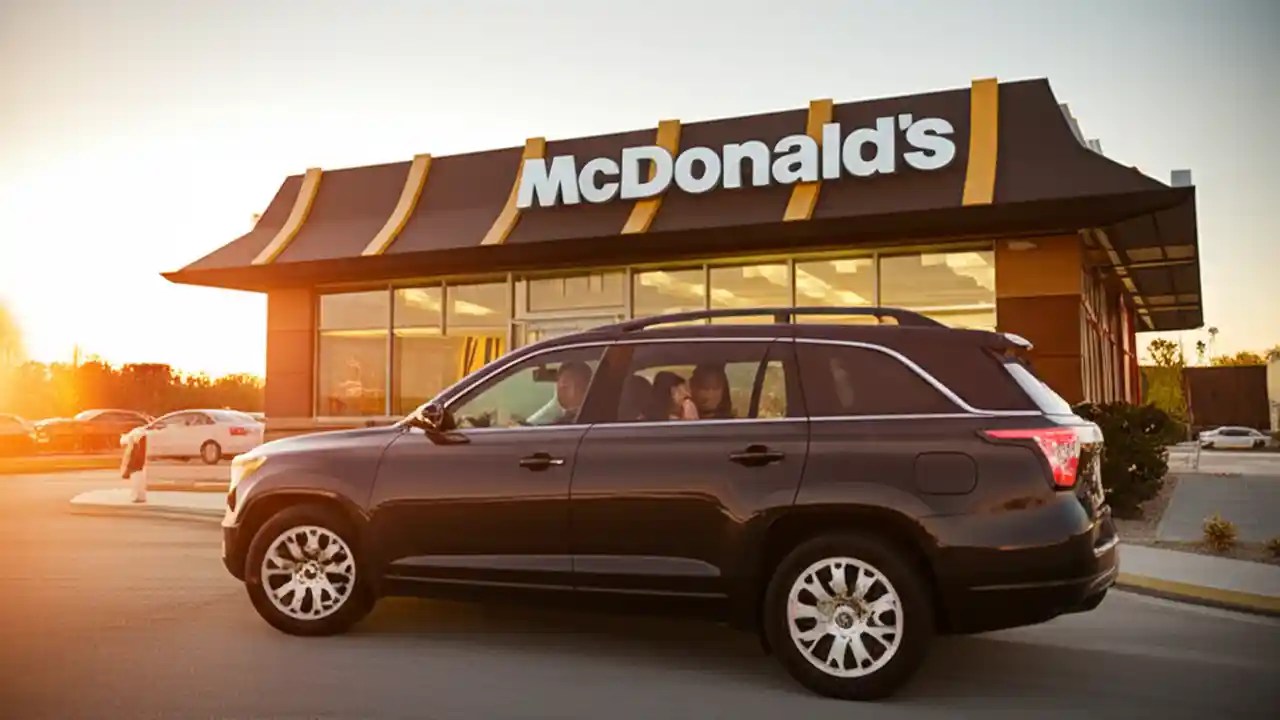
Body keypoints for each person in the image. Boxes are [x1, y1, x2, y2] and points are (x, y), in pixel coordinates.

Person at [526, 361, 594, 425]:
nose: (573, 393)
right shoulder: (541, 421)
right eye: (565, 386)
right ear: (557, 386)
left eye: (580, 386)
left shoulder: (597, 416)